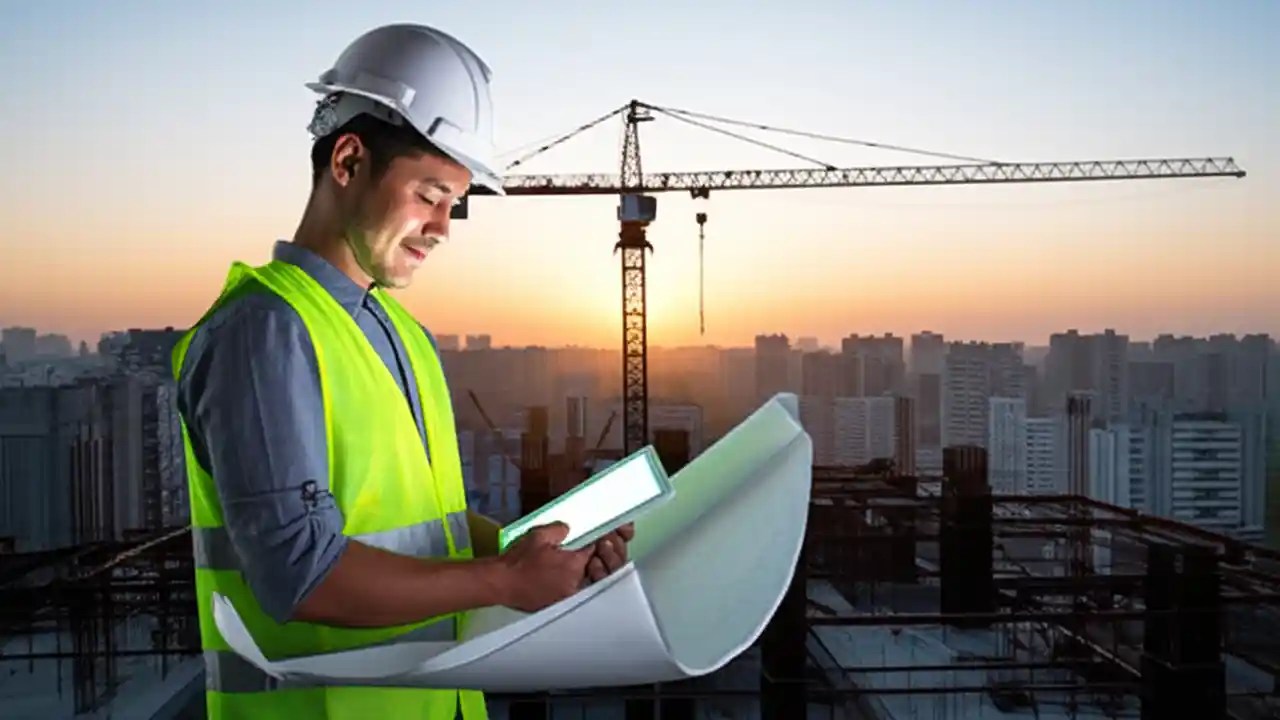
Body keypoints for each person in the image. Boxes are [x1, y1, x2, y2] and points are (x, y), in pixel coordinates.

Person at [172, 23, 633, 720]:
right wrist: (505, 578)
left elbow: (426, 530)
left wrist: (536, 547)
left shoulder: (403, 335)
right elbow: (301, 578)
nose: (443, 227)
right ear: (349, 161)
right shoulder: (264, 333)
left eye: (455, 204)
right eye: (429, 194)